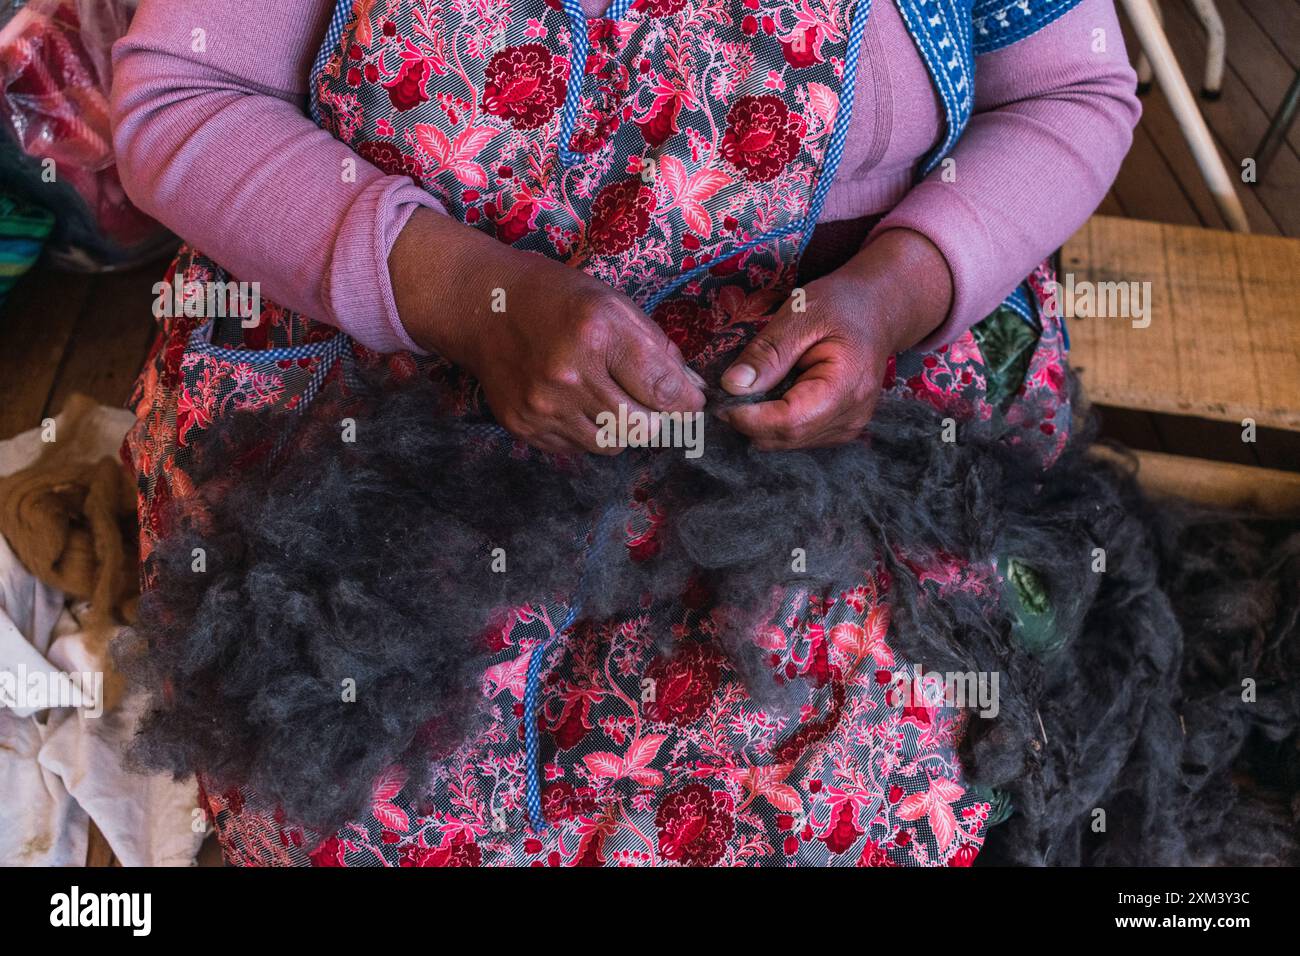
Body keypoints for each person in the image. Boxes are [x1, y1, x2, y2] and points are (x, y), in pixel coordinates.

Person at [112, 0, 1140, 866]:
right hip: (397, 384)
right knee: (361, 778)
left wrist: (898, 289)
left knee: (848, 790)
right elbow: (182, 97)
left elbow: (1069, 93)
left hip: (827, 429)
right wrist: (473, 299)